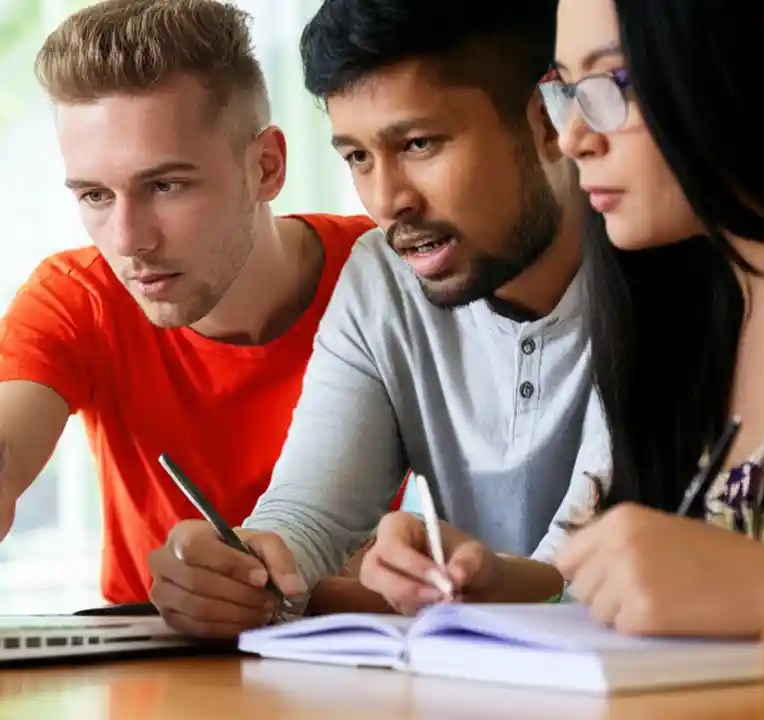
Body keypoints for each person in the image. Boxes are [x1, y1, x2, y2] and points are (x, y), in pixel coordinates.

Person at [0, 0, 380, 606]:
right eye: (96, 195)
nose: (128, 241)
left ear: (266, 166)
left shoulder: (385, 277)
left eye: (165, 186)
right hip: (147, 678)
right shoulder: (77, 297)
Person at [148, 0, 609, 637]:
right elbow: (307, 517)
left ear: (547, 119)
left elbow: (588, 571)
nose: (387, 201)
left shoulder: (651, 263)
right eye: (358, 158)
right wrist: (238, 573)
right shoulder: (381, 277)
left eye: (418, 144)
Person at [543, 0, 764, 637]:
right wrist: (506, 583)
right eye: (565, 90)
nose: (572, 138)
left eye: (615, 83)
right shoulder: (678, 309)